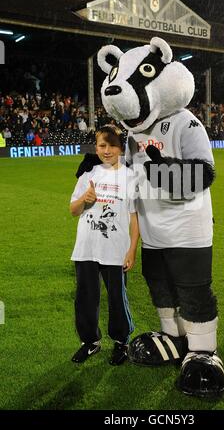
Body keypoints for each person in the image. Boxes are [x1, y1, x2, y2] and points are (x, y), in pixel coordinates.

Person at [70, 125, 139, 365]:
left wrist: (131, 250)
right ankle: (90, 342)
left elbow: (134, 217)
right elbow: (72, 210)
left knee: (117, 299)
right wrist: (84, 199)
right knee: (85, 297)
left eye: (112, 145)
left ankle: (121, 343)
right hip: (86, 247)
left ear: (121, 148)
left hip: (116, 250)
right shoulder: (89, 173)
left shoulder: (130, 176)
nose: (106, 150)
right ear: (96, 147)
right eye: (102, 145)